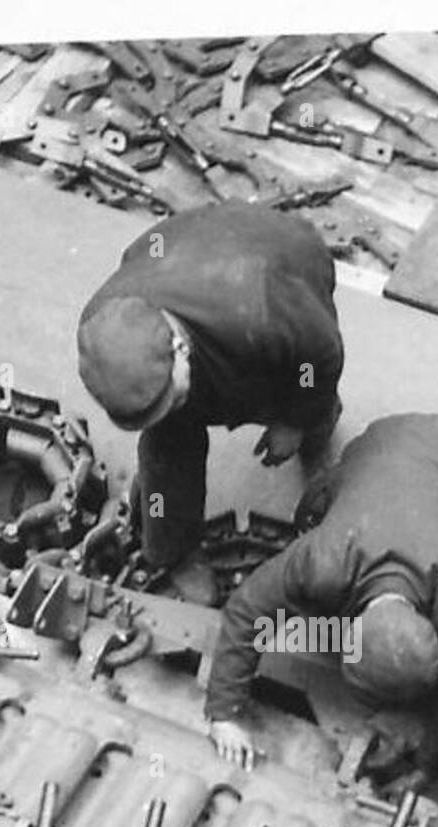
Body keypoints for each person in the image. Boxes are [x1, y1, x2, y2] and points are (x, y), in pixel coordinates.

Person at [205, 413, 438, 785]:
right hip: (385, 444)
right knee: (313, 509)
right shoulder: (323, 558)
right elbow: (248, 608)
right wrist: (224, 713)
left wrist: (428, 763)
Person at [77, 204, 344, 604]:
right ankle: (175, 551)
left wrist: (295, 421)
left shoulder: (267, 317)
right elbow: (139, 255)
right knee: (166, 450)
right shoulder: (104, 321)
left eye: (167, 398)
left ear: (179, 347)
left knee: (305, 395)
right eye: (148, 410)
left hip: (283, 257)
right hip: (184, 247)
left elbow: (321, 357)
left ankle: (317, 424)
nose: (164, 410)